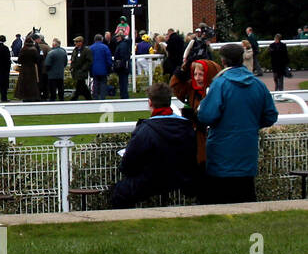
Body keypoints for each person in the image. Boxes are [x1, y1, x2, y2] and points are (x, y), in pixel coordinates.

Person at [195, 43, 278, 204]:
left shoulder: (220, 84)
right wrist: (250, 124)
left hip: (221, 156)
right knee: (246, 200)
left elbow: (206, 115)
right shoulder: (258, 84)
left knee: (221, 204)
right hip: (247, 153)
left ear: (223, 61)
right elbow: (270, 115)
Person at [107, 83, 198, 208]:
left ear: (150, 102)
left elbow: (127, 165)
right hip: (183, 178)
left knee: (119, 192)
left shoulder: (145, 129)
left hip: (153, 180)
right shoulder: (186, 126)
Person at [15, 37, 41, 102]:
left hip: (24, 68)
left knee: (24, 83)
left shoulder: (23, 49)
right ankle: (33, 96)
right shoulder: (34, 49)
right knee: (32, 83)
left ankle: (25, 97)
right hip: (32, 68)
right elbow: (37, 60)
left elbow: (19, 60)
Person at [90, 33, 113, 100]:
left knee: (95, 83)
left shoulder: (91, 48)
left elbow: (89, 59)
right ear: (101, 39)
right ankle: (102, 97)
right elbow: (108, 58)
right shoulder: (105, 47)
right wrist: (109, 66)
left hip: (94, 69)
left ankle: (95, 97)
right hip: (103, 69)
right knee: (103, 83)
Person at [70, 36, 92, 100]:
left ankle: (74, 97)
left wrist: (83, 69)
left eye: (76, 42)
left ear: (81, 42)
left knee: (80, 84)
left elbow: (89, 61)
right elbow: (73, 59)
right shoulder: (75, 50)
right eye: (75, 42)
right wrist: (72, 67)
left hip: (82, 71)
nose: (75, 43)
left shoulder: (86, 50)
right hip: (76, 71)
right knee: (82, 85)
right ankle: (88, 97)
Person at [114, 32, 132, 98]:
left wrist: (119, 65)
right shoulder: (123, 44)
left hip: (123, 68)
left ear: (121, 37)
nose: (116, 38)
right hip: (124, 67)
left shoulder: (122, 45)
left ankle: (124, 96)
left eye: (118, 37)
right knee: (123, 83)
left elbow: (123, 57)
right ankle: (124, 96)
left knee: (123, 83)